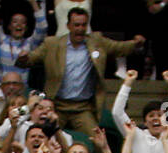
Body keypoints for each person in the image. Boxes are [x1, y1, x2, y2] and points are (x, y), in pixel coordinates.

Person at [14, 7, 141, 135]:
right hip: (56, 105)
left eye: (83, 25)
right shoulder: (52, 44)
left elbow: (119, 47)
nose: (80, 29)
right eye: (76, 25)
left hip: (82, 107)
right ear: (68, 26)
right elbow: (31, 59)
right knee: (45, 135)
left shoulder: (96, 42)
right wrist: (23, 58)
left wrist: (136, 43)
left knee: (97, 139)